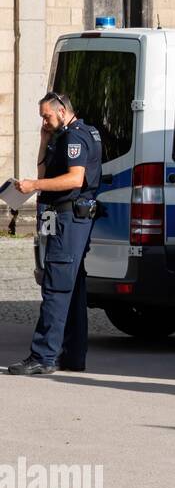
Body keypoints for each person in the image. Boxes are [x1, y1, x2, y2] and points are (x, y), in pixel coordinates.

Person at [8, 92, 103, 375]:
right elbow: (45, 167)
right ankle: (73, 356)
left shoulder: (75, 137)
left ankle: (43, 356)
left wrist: (34, 185)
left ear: (62, 111)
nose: (44, 121)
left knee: (56, 288)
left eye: (46, 116)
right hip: (67, 218)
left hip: (68, 219)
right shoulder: (69, 134)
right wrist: (43, 139)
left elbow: (76, 178)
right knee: (73, 289)